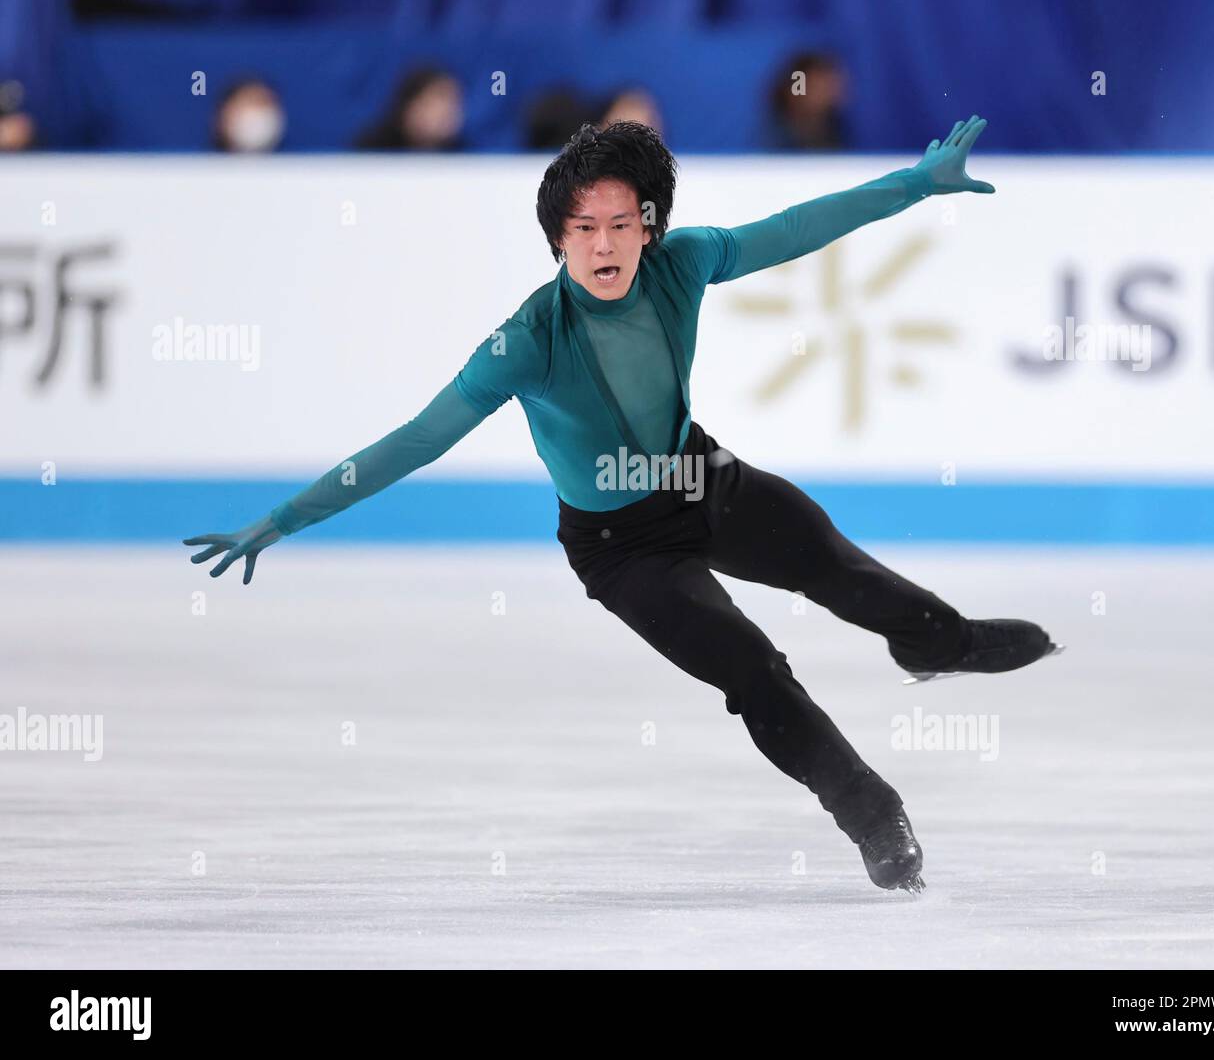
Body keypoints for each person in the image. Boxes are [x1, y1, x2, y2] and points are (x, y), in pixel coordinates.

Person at [184, 116, 1056, 895]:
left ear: (650, 225)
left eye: (620, 223)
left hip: (697, 476)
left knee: (828, 558)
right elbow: (417, 439)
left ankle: (939, 639)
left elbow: (796, 229)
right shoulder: (525, 342)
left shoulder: (685, 263)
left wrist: (914, 184)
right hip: (621, 546)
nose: (603, 245)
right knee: (754, 668)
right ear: (557, 239)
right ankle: (871, 811)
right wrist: (287, 516)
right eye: (582, 228)